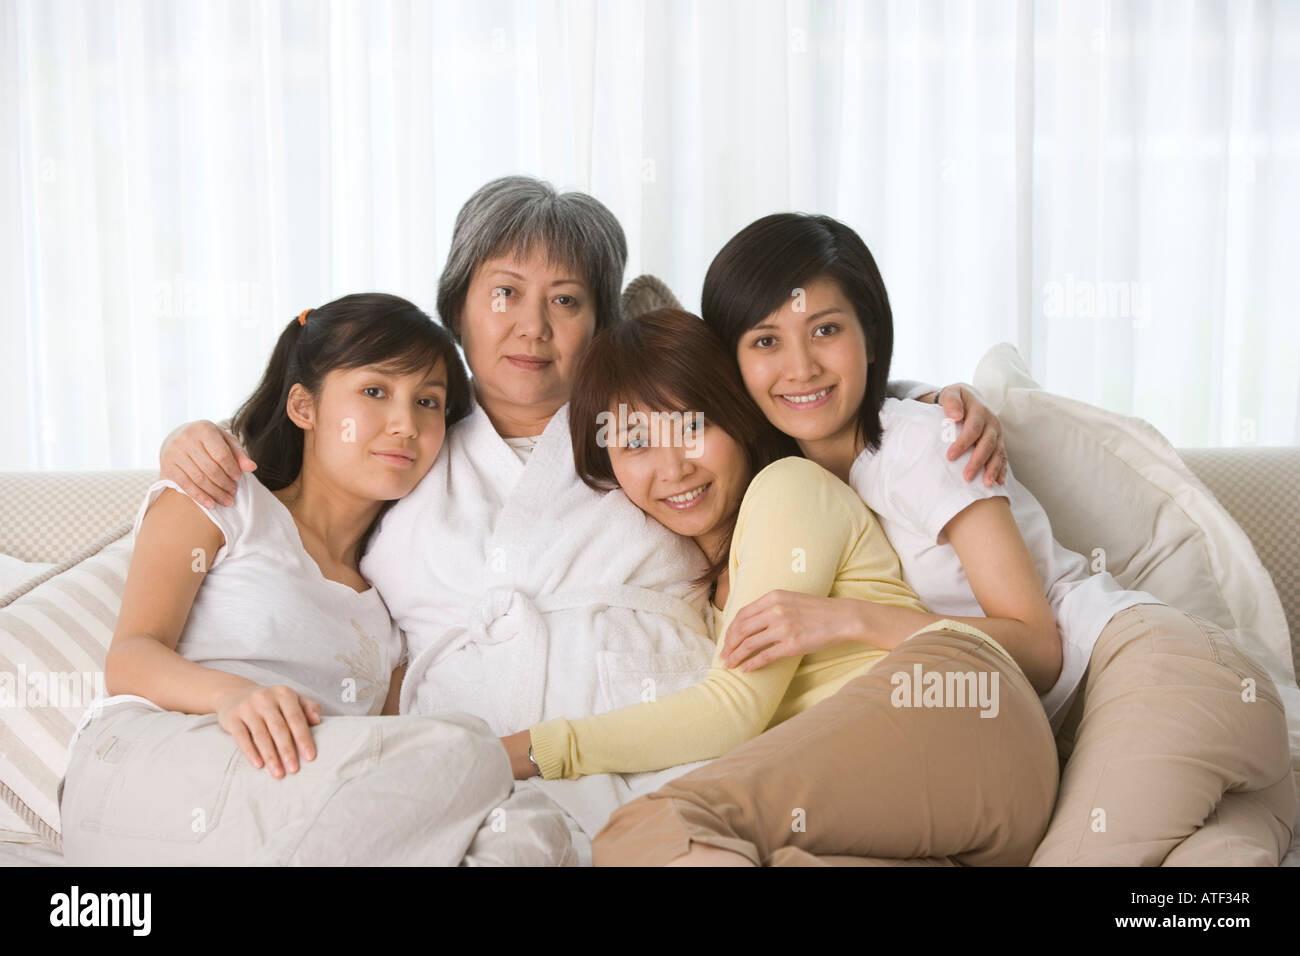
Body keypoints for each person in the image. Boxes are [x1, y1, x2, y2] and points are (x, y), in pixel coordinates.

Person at [156, 175, 1013, 860]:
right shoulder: (404, 445)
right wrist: (199, 441)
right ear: (458, 308)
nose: (533, 326)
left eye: (567, 300)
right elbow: (295, 479)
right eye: (505, 294)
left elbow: (774, 400)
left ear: (602, 322)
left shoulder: (644, 434)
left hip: (666, 751)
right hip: (472, 780)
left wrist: (921, 399)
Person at [692, 212, 1295, 866]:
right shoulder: (800, 481)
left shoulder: (924, 446)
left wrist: (844, 621)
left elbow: (1039, 647)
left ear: (870, 336)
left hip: (1148, 668)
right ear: (733, 361)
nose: (801, 366)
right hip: (1081, 736)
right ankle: (1271, 800)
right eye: (765, 341)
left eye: (827, 330)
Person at [500, 307, 1058, 867]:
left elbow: (732, 710)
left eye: (693, 426)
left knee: (652, 832)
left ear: (739, 418)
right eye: (637, 442)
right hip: (932, 807)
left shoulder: (787, 488)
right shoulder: (696, 589)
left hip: (958, 717)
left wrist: (531, 750)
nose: (672, 468)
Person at [60, 293, 574, 866]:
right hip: (153, 772)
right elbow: (130, 657)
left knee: (531, 825)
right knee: (468, 751)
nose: (406, 424)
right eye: (375, 391)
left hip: (291, 808)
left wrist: (576, 747)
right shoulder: (222, 500)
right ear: (304, 407)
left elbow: (398, 767)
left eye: (428, 402)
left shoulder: (391, 613)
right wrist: (234, 697)